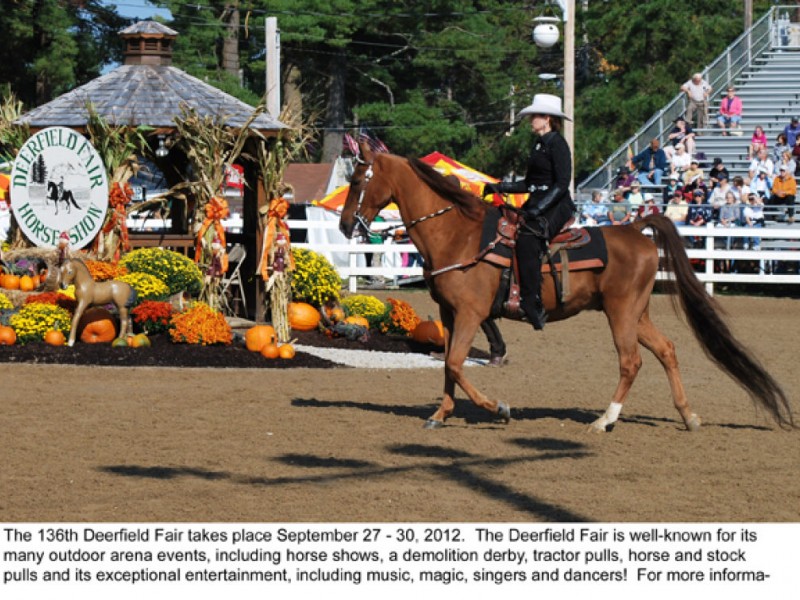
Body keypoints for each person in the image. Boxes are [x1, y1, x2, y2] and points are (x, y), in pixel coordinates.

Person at [483, 94, 575, 330]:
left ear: (547, 118)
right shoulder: (538, 145)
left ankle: (531, 301)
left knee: (527, 238)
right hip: (538, 203)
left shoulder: (558, 143)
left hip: (558, 205)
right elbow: (530, 183)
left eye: (535, 116)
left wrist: (538, 209)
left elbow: (562, 183)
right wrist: (500, 186)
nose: (531, 120)